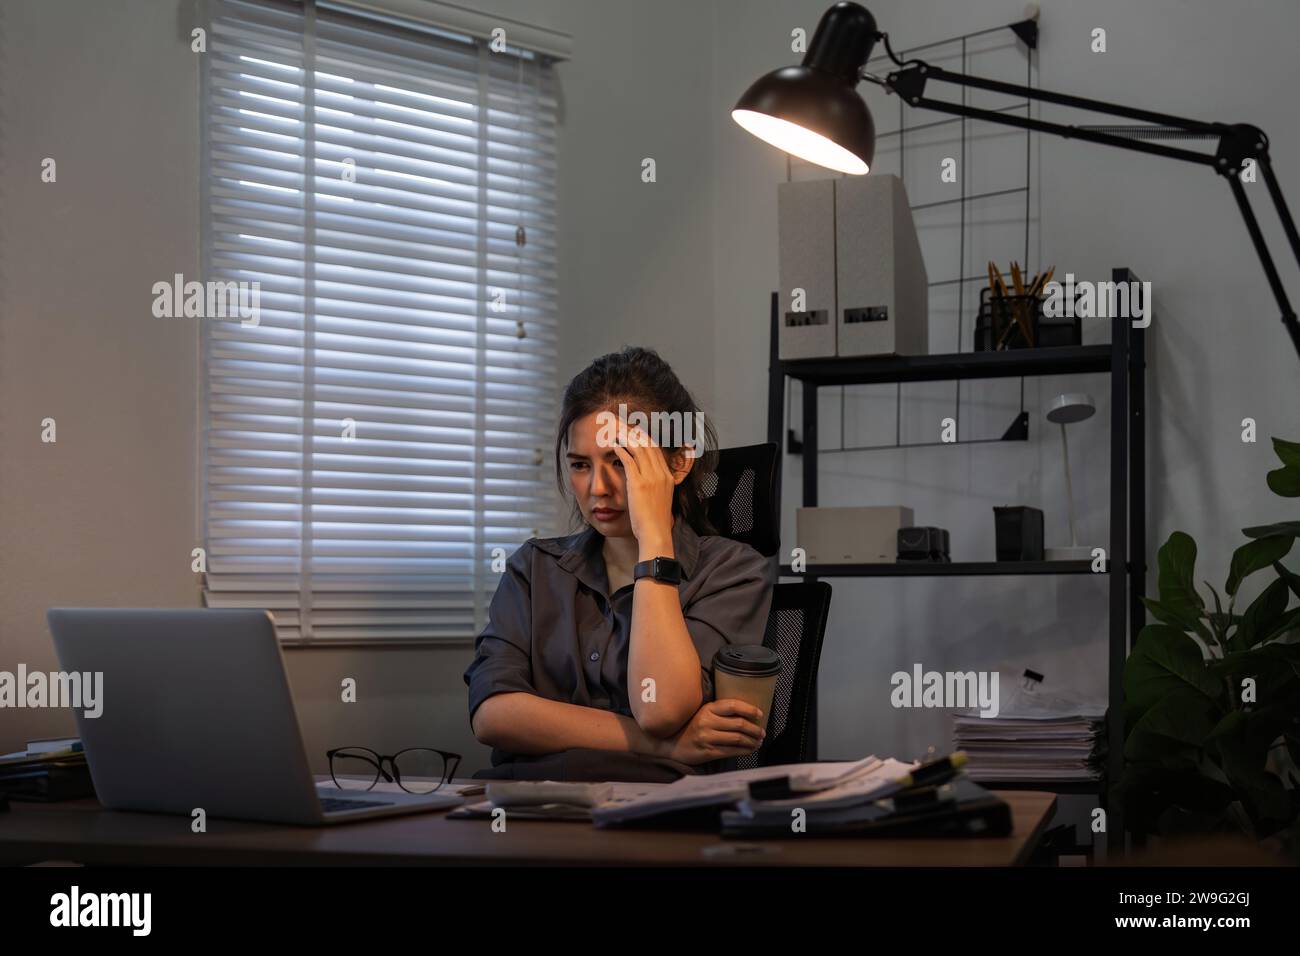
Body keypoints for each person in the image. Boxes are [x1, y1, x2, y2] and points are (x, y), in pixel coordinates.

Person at [463, 347, 774, 781]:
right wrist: (662, 745)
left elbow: (661, 708)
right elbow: (493, 716)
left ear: (679, 462)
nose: (597, 489)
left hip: (656, 817)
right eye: (579, 465)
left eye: (621, 461)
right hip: (528, 808)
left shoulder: (732, 572)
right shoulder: (533, 568)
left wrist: (654, 541)